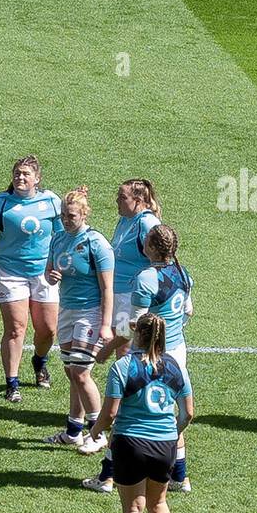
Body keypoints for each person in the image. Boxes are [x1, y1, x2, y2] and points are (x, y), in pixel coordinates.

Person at [86, 313, 194, 513]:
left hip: (130, 444)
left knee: (133, 508)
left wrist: (96, 431)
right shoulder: (176, 367)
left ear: (138, 335)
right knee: (158, 502)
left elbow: (110, 413)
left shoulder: (123, 366)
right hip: (165, 445)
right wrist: (173, 433)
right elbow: (188, 413)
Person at [86, 224, 193, 494]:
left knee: (125, 415)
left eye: (145, 241)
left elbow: (137, 323)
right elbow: (188, 312)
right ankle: (180, 477)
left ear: (153, 248)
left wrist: (109, 347)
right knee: (167, 414)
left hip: (149, 354)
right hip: (177, 352)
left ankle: (107, 477)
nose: (142, 243)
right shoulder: (183, 273)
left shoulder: (147, 277)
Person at [0, 155, 63, 399]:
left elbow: (61, 239)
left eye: (25, 174)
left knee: (47, 330)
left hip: (44, 273)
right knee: (16, 328)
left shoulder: (52, 202)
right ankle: (12, 382)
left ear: (37, 178)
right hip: (9, 272)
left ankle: (39, 361)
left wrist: (59, 267)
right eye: (17, 173)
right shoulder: (1, 203)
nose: (20, 177)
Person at [41, 187, 113, 448]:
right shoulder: (58, 239)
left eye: (71, 215)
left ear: (84, 214)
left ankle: (98, 432)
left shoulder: (97, 243)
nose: (65, 220)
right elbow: (49, 271)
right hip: (67, 311)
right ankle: (73, 430)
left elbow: (107, 288)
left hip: (90, 313)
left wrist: (106, 325)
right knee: (71, 372)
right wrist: (51, 277)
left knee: (82, 373)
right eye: (63, 215)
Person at [97, 179, 162, 367]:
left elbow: (161, 260)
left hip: (131, 296)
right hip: (119, 293)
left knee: (125, 343)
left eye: (122, 197)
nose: (117, 201)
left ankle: (129, 385)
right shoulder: (126, 219)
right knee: (122, 341)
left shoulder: (148, 224)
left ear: (138, 200)